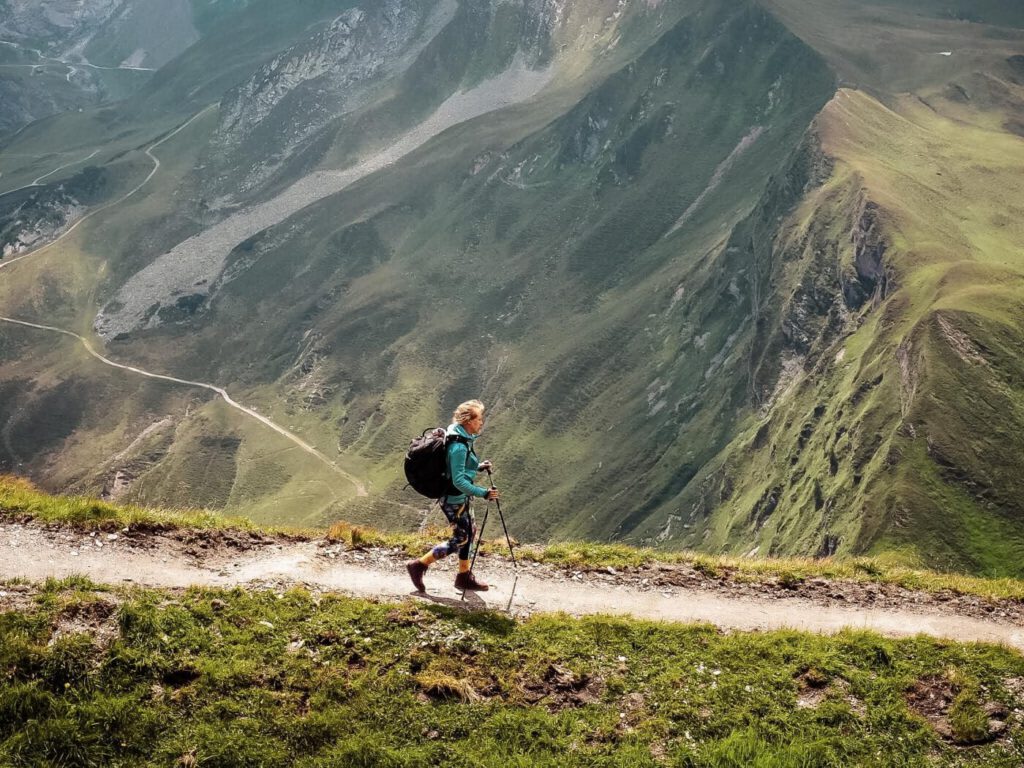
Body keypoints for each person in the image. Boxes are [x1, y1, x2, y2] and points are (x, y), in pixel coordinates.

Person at [406, 399, 499, 592]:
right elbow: (458, 480)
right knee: (461, 538)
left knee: (469, 533)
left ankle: (464, 576)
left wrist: (479, 467)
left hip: (460, 498)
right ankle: (419, 565)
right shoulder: (459, 446)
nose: (481, 422)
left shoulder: (461, 437)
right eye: (479, 419)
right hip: (454, 499)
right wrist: (484, 493)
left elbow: (458, 469)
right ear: (468, 421)